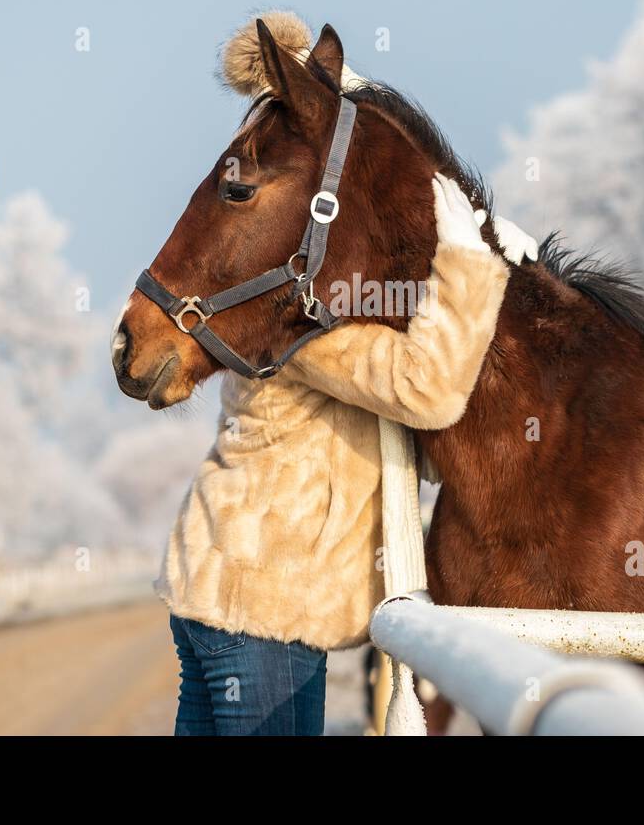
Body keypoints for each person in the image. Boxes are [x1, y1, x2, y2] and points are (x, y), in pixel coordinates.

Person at [159, 173, 531, 735]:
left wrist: (508, 275)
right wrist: (468, 263)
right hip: (263, 608)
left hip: (220, 597)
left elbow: (416, 442)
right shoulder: (302, 330)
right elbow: (426, 387)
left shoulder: (283, 318)